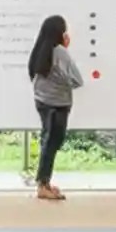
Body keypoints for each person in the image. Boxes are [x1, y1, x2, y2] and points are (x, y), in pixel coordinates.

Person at [28, 15, 83, 200]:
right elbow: (77, 80)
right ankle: (43, 185)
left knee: (48, 142)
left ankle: (44, 183)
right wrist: (65, 53)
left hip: (42, 103)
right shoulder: (59, 52)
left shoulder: (39, 51)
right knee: (52, 143)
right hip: (59, 104)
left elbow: (34, 77)